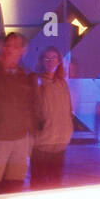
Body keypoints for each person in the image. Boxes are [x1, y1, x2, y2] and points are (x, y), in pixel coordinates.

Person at [0, 32, 40, 193]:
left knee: (15, 183)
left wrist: (31, 133)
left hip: (21, 138)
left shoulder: (25, 75)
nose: (10, 49)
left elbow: (32, 105)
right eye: (8, 45)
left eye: (15, 46)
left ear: (23, 50)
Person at [32, 46, 73, 187]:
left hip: (59, 142)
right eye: (47, 58)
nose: (50, 61)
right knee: (38, 183)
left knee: (56, 182)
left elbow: (67, 110)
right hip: (42, 143)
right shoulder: (37, 81)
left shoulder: (62, 83)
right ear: (42, 61)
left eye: (53, 58)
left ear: (59, 61)